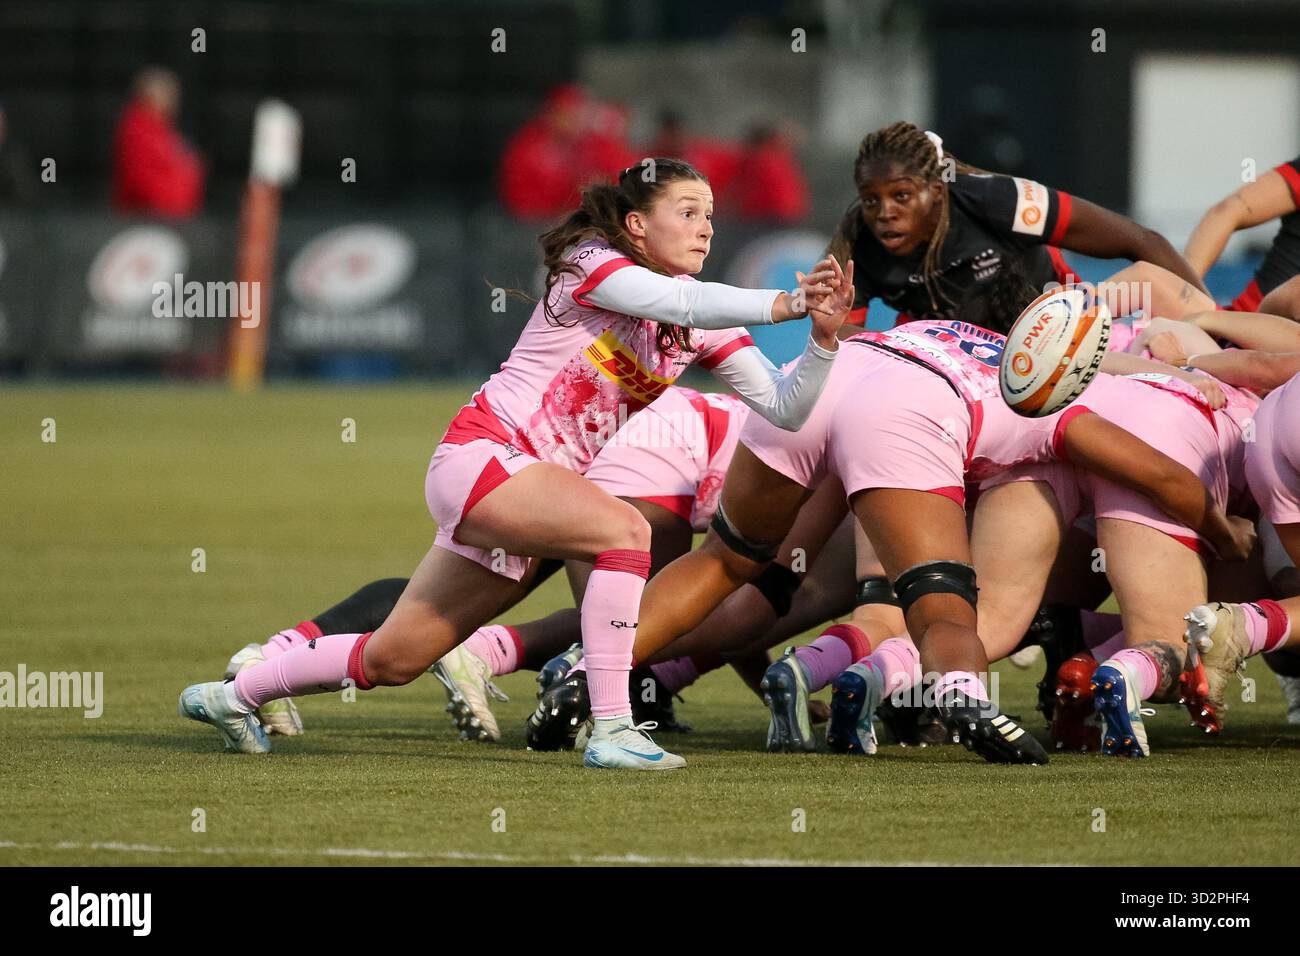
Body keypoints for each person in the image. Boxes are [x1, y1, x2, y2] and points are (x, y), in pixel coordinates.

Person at [180, 158, 848, 771]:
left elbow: (785, 409)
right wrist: (785, 303)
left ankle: (232, 694)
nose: (705, 228)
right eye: (688, 211)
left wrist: (819, 341)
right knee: (627, 532)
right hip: (482, 458)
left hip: (520, 487)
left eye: (709, 215)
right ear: (638, 224)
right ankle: (614, 728)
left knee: (395, 657)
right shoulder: (594, 264)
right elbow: (679, 302)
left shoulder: (699, 317)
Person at [831, 121, 1209, 330]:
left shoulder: (998, 200)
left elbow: (1141, 240)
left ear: (936, 190)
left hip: (1062, 326)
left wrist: (1221, 336)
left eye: (901, 196)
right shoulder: (858, 242)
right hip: (953, 364)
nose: (884, 213)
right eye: (870, 200)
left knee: (1148, 286)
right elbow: (839, 341)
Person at [1184, 152, 1300, 319]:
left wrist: (1183, 294)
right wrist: (1186, 295)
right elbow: (1227, 212)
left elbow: (1225, 211)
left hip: (1244, 326)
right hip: (1246, 328)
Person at [111, 67, 204, 219]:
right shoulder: (136, 131)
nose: (174, 101)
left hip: (171, 218)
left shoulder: (164, 131)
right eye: (168, 94)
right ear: (149, 97)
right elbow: (143, 184)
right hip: (143, 220)